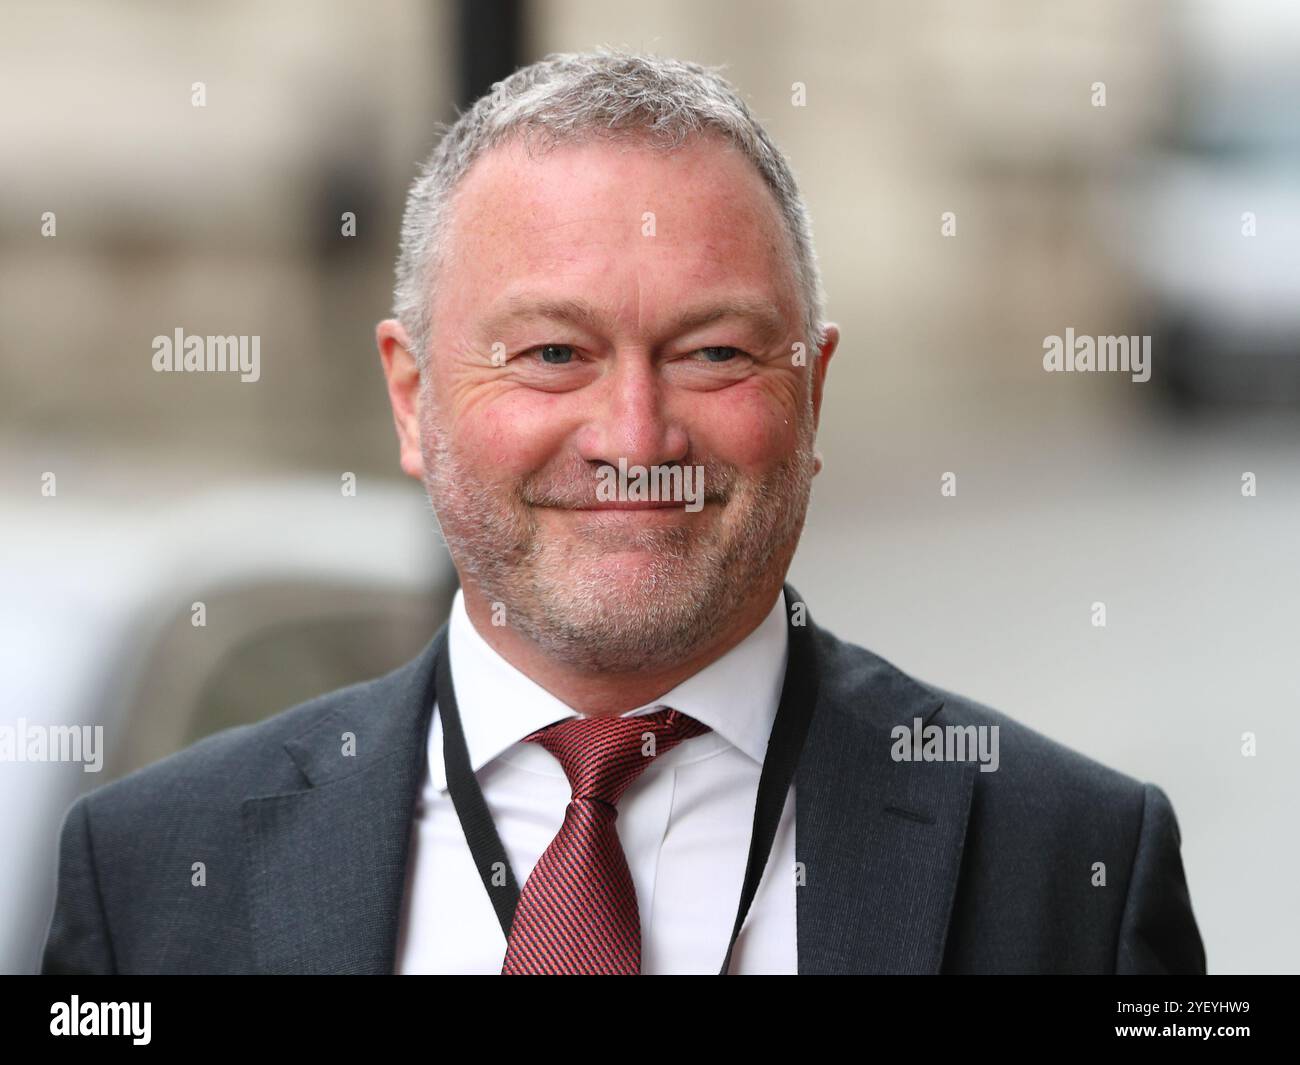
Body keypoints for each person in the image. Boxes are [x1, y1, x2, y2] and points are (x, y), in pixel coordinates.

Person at [42, 50, 1205, 975]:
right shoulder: (148, 877)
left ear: (813, 392)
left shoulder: (1070, 866)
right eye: (553, 353)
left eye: (711, 353)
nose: (635, 437)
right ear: (411, 397)